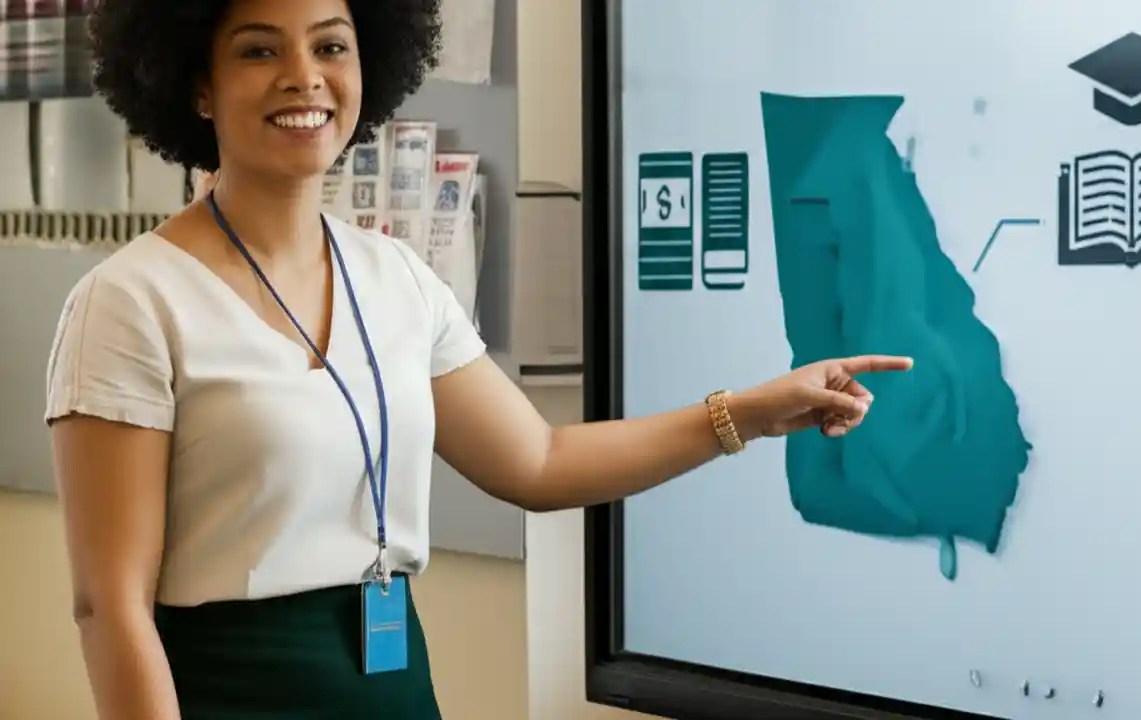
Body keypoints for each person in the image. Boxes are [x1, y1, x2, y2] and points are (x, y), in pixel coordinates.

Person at [43, 1, 914, 718]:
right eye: (259, 49)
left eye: (332, 45)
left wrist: (753, 414)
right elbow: (108, 605)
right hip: (227, 692)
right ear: (196, 83)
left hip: (393, 682)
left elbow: (539, 462)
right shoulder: (131, 301)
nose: (304, 76)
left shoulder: (395, 278)